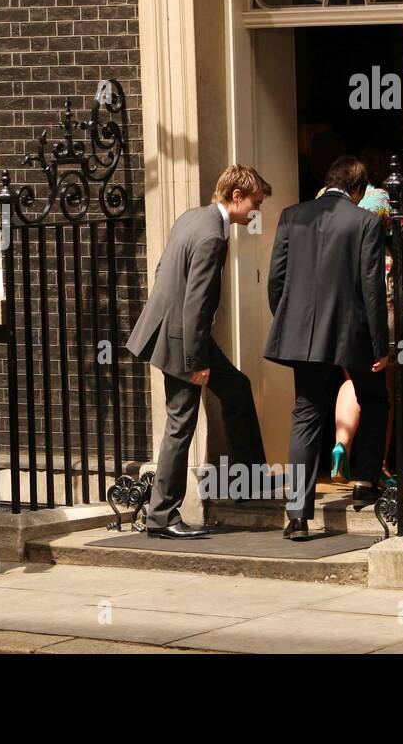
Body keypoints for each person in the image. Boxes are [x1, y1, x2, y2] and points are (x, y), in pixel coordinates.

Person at [125, 165, 272, 539]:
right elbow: (197, 303)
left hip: (178, 333)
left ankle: (249, 483)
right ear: (236, 196)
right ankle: (162, 516)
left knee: (236, 388)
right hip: (184, 340)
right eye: (256, 203)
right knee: (181, 423)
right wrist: (196, 362)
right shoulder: (212, 236)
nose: (257, 211)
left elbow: (162, 269)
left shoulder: (192, 218)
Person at [265, 156, 389, 541]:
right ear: (358, 189)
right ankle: (367, 480)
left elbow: (276, 280)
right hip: (352, 334)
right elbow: (372, 289)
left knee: (306, 414)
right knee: (374, 399)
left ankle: (298, 517)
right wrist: (380, 345)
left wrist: (291, 322)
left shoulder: (291, 216)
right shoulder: (365, 221)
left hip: (302, 335)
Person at [332, 185, 396, 496]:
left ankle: (341, 443)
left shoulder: (344, 242)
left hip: (347, 324)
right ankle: (378, 467)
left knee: (352, 384)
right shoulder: (384, 248)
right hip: (383, 321)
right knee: (382, 394)